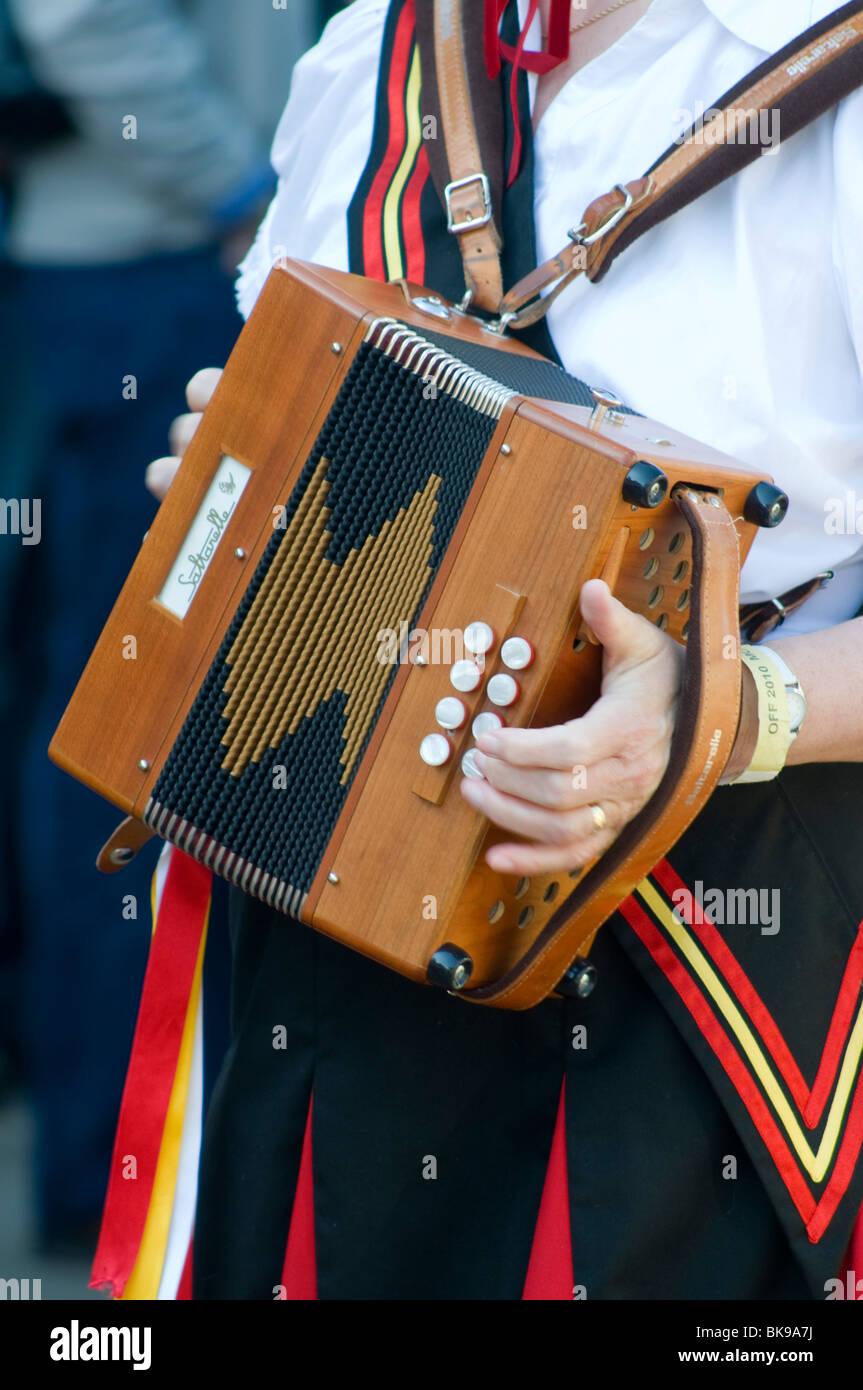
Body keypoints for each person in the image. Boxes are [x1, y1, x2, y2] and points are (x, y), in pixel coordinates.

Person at [137, 0, 863, 1299]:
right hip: (324, 905)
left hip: (697, 951)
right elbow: (287, 433)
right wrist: (236, 497)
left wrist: (729, 705)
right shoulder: (379, 47)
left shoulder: (833, 82)